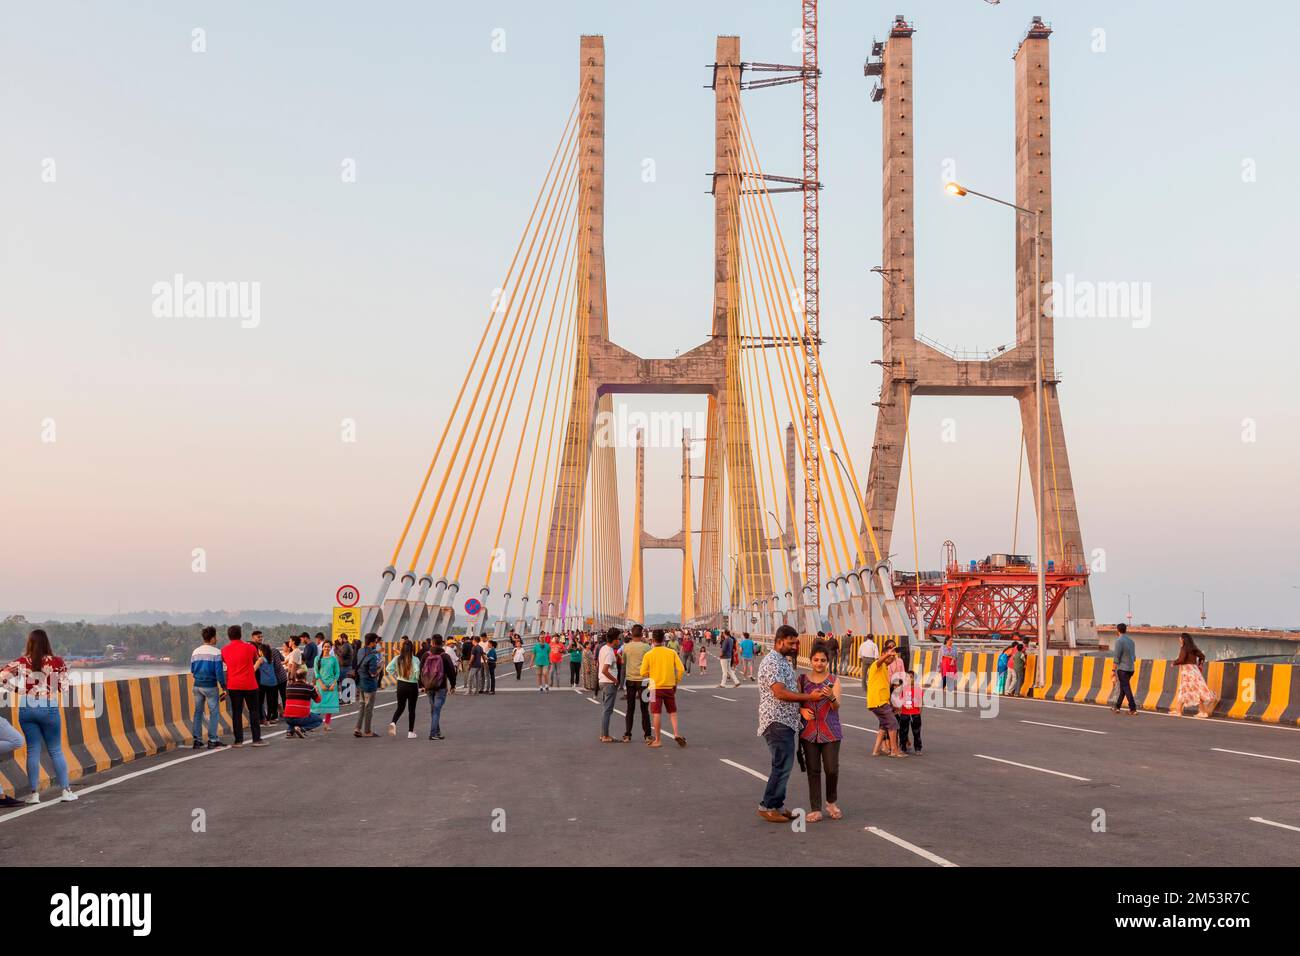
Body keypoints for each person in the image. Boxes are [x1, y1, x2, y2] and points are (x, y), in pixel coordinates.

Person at [756, 625, 829, 823]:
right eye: (791, 643)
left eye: (795, 642)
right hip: (776, 720)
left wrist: (799, 709)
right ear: (779, 641)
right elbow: (779, 692)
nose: (795, 646)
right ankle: (768, 806)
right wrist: (810, 697)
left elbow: (789, 688)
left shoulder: (784, 661)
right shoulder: (772, 662)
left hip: (786, 721)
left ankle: (777, 805)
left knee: (784, 765)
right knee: (781, 765)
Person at [1, 629, 77, 803]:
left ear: (30, 643)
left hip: (27, 707)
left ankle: (34, 794)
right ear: (46, 643)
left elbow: (1, 677)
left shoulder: (22, 661)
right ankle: (66, 791)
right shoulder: (57, 662)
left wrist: (18, 690)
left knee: (32, 751)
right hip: (48, 706)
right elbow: (65, 688)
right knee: (55, 750)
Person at [798, 644, 843, 822]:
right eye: (816, 660)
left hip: (831, 731)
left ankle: (831, 802)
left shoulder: (834, 680)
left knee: (831, 769)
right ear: (811, 660)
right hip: (809, 732)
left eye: (823, 660)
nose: (819, 663)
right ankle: (815, 809)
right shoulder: (802, 680)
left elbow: (836, 705)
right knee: (813, 770)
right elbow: (797, 702)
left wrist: (831, 695)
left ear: (827, 661)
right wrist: (801, 711)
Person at [640, 630, 686, 748]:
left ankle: (658, 740)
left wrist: (652, 673)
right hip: (669, 686)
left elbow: (642, 672)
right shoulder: (671, 653)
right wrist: (675, 681)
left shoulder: (648, 655)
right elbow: (681, 669)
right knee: (672, 712)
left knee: (656, 713)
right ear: (664, 639)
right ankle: (676, 733)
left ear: (653, 640)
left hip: (654, 687)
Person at [221, 625, 266, 747]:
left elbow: (226, 662)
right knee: (254, 711)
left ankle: (238, 741)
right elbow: (255, 660)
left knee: (236, 712)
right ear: (240, 634)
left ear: (229, 636)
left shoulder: (224, 650)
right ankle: (256, 739)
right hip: (250, 684)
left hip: (233, 685)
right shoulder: (250, 648)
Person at [189, 626, 226, 750]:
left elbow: (193, 670)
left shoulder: (195, 651)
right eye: (216, 637)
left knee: (198, 712)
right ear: (212, 638)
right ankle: (213, 740)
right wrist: (224, 686)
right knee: (214, 712)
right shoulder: (216, 652)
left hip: (197, 686)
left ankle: (197, 740)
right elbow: (219, 672)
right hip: (210, 686)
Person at [868, 645, 905, 758]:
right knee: (893, 723)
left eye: (893, 658)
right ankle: (894, 750)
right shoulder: (877, 665)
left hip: (882, 701)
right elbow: (879, 661)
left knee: (884, 725)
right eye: (889, 657)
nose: (891, 659)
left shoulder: (885, 668)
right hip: (878, 701)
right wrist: (888, 654)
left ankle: (875, 750)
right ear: (883, 655)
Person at [1170, 632, 1217, 718]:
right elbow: (1202, 656)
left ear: (1183, 639)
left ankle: (1203, 712)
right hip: (1194, 670)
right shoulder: (1193, 648)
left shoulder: (1184, 648)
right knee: (1186, 690)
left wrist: (1174, 663)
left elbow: (1182, 659)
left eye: (1180, 638)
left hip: (1187, 672)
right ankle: (1178, 710)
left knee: (1190, 691)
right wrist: (1200, 664)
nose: (1179, 640)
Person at [420, 635, 457, 740]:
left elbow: (420, 671)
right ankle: (433, 733)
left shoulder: (425, 655)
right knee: (436, 710)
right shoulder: (444, 656)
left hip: (428, 686)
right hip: (441, 686)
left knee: (434, 710)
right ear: (442, 643)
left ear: (431, 643)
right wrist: (453, 685)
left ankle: (437, 732)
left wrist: (422, 685)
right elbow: (451, 672)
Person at [621, 624, 653, 743]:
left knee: (630, 708)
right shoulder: (646, 647)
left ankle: (627, 734)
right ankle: (648, 735)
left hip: (630, 680)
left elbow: (623, 661)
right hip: (644, 681)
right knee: (644, 708)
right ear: (642, 633)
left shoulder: (626, 647)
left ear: (631, 634)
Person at [386, 638, 421, 738]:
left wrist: (397, 674)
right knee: (412, 709)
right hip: (412, 685)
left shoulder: (397, 658)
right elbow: (417, 670)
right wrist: (416, 677)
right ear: (412, 649)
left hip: (401, 684)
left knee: (400, 707)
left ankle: (393, 722)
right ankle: (410, 732)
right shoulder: (415, 659)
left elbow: (388, 668)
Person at [353, 634, 383, 737]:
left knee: (362, 706)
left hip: (360, 683)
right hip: (369, 685)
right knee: (369, 708)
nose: (376, 644)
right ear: (371, 643)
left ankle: (357, 728)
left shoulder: (361, 651)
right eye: (375, 642)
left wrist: (377, 651)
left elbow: (367, 654)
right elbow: (373, 673)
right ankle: (367, 731)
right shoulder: (372, 657)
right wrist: (380, 667)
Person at [282, 665, 324, 738]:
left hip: (287, 718)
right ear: (305, 677)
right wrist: (317, 690)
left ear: (296, 677)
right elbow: (318, 700)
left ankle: (290, 731)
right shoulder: (309, 688)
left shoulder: (288, 686)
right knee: (319, 720)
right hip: (301, 717)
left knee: (293, 713)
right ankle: (302, 729)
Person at [597, 631, 622, 742]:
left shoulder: (603, 648)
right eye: (618, 639)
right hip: (608, 683)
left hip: (603, 682)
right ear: (614, 640)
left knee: (605, 709)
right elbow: (605, 670)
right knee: (607, 710)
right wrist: (615, 680)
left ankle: (603, 734)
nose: (619, 641)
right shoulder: (609, 652)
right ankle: (605, 735)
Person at [1110, 622, 1138, 716]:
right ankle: (1117, 707)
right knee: (1123, 688)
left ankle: (1133, 708)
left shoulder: (1119, 641)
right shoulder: (1131, 641)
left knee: (1126, 687)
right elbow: (1134, 657)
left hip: (1123, 669)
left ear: (1117, 630)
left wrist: (1113, 671)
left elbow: (1116, 658)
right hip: (1131, 669)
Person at [895, 669, 923, 755]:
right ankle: (903, 747)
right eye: (907, 677)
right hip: (904, 713)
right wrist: (899, 710)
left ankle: (918, 748)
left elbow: (920, 702)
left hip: (915, 713)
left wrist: (919, 713)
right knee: (903, 732)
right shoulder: (902, 689)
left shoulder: (917, 689)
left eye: (911, 677)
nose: (909, 679)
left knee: (916, 732)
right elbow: (899, 700)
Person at [256, 643, 280, 723]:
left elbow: (253, 669)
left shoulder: (261, 659)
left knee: (260, 701)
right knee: (270, 702)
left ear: (261, 651)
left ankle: (262, 719)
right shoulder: (271, 658)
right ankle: (269, 718)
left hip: (264, 683)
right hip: (273, 682)